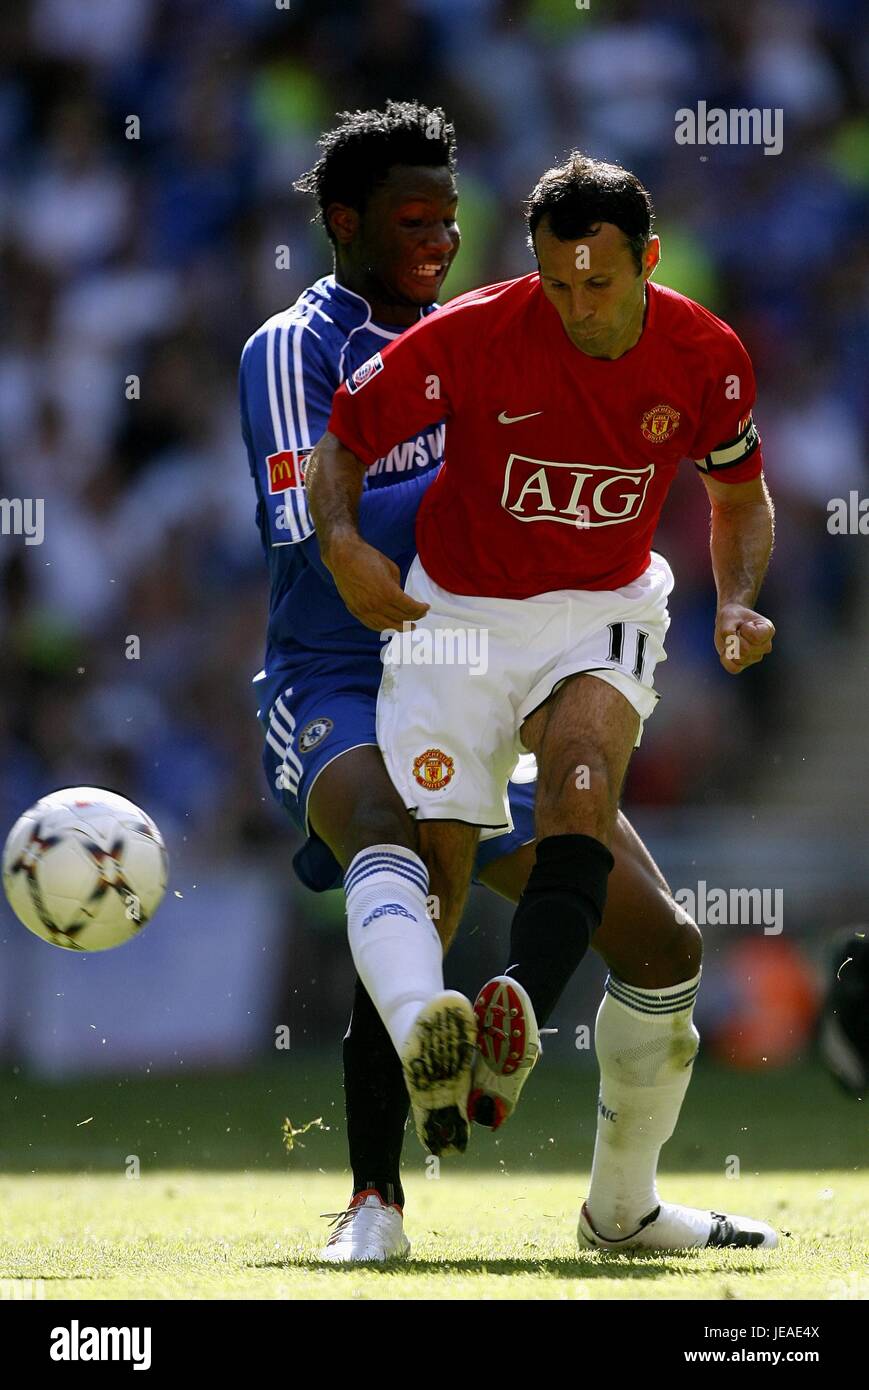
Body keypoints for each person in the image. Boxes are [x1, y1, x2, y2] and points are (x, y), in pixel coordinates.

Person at [306, 150, 779, 1253]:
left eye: (599, 285)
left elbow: (738, 498)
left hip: (601, 606)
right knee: (423, 897)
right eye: (557, 285)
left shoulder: (705, 357)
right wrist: (338, 544)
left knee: (580, 777)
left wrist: (734, 603)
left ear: (647, 262)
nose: (575, 307)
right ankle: (375, 1200)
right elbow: (342, 446)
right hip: (457, 614)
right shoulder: (467, 336)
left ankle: (516, 1010)